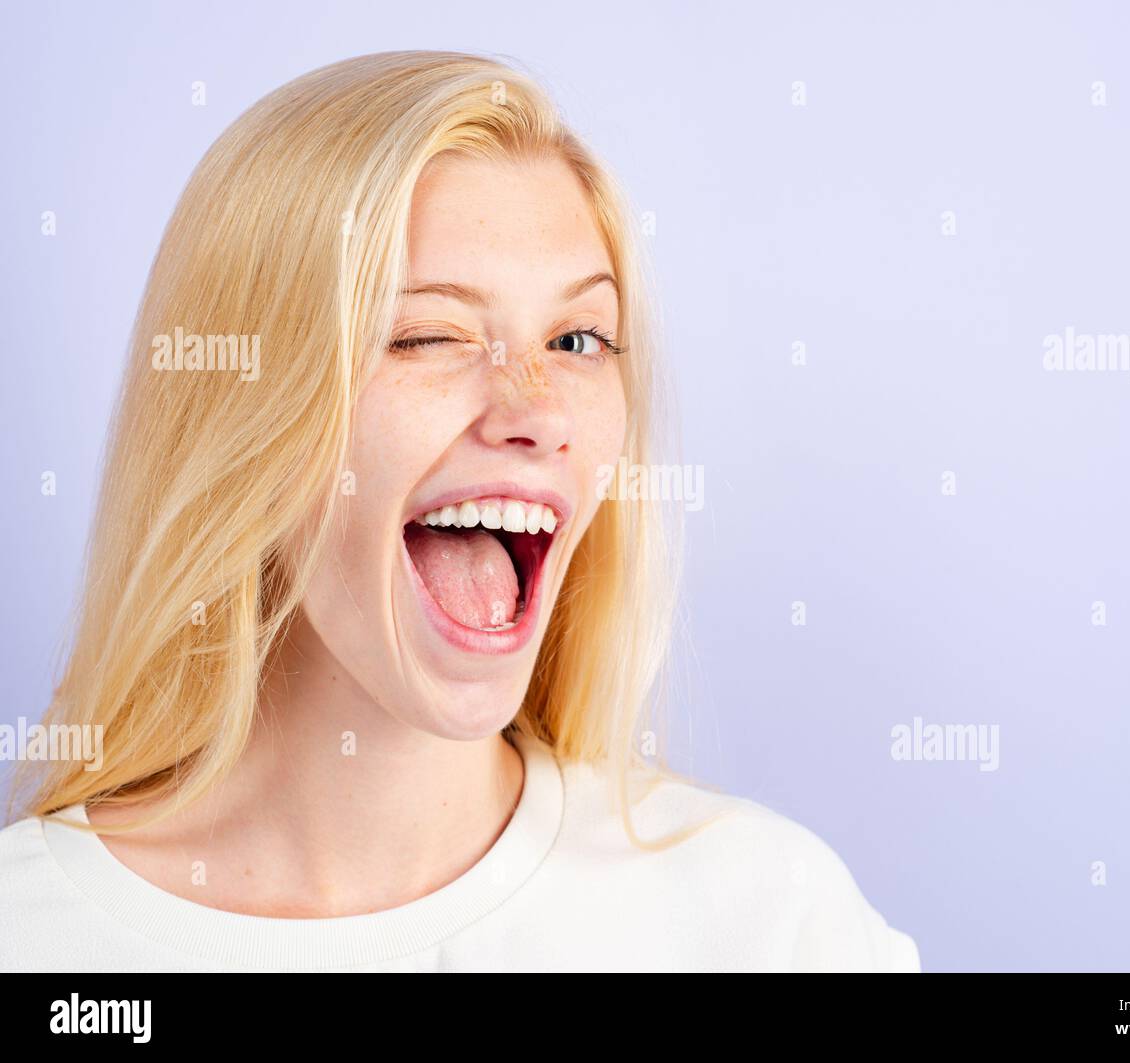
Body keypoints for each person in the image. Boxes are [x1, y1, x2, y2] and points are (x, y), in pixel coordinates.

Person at [0, 51, 920, 973]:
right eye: (427, 335)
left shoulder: (765, 920)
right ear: (241, 415)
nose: (538, 411)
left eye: (577, 339)